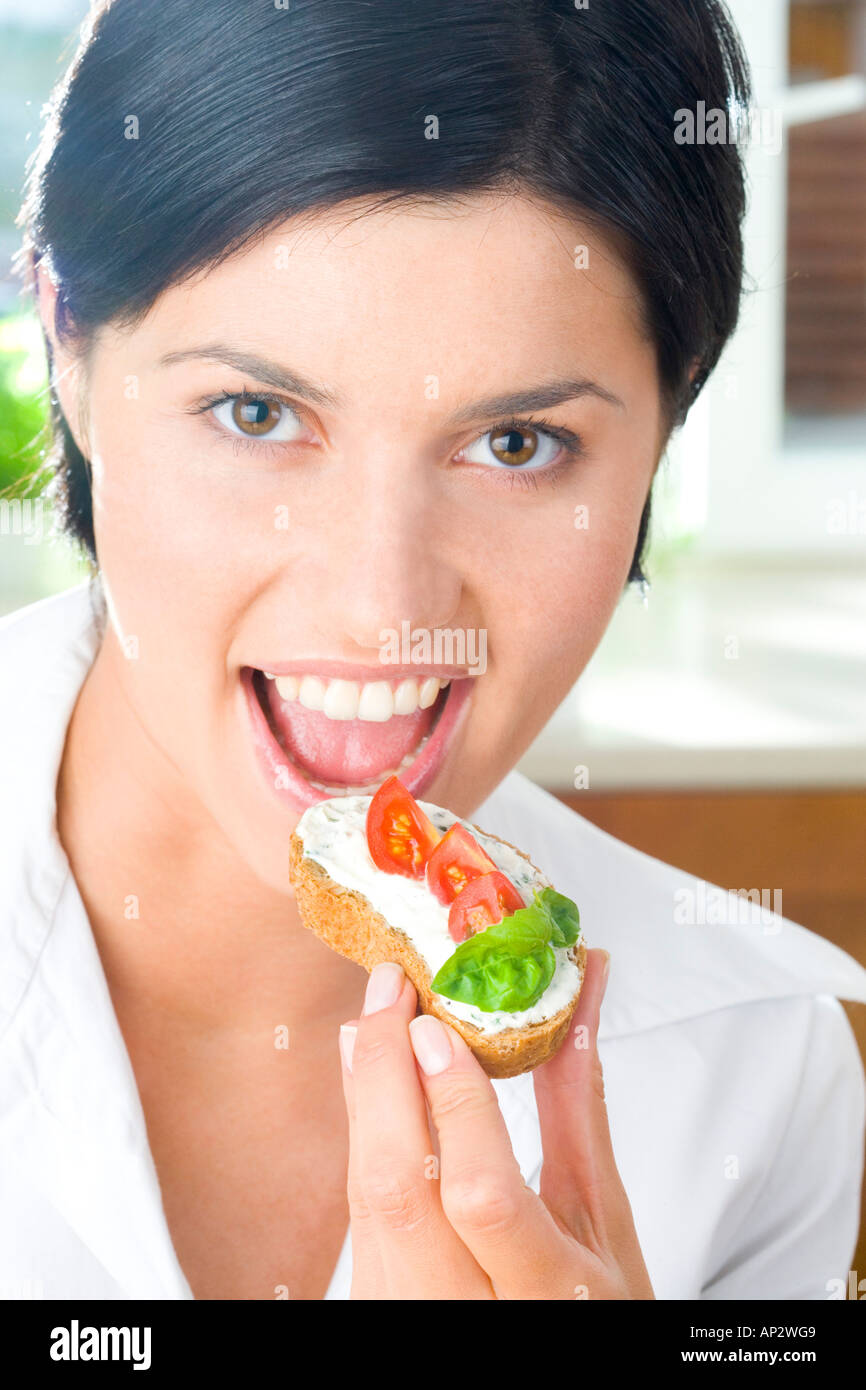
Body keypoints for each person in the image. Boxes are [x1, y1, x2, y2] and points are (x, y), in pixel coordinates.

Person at [1, 0, 864, 1301]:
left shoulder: (756, 1065)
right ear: (65, 342)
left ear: (666, 427)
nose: (378, 604)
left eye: (515, 443)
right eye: (254, 411)